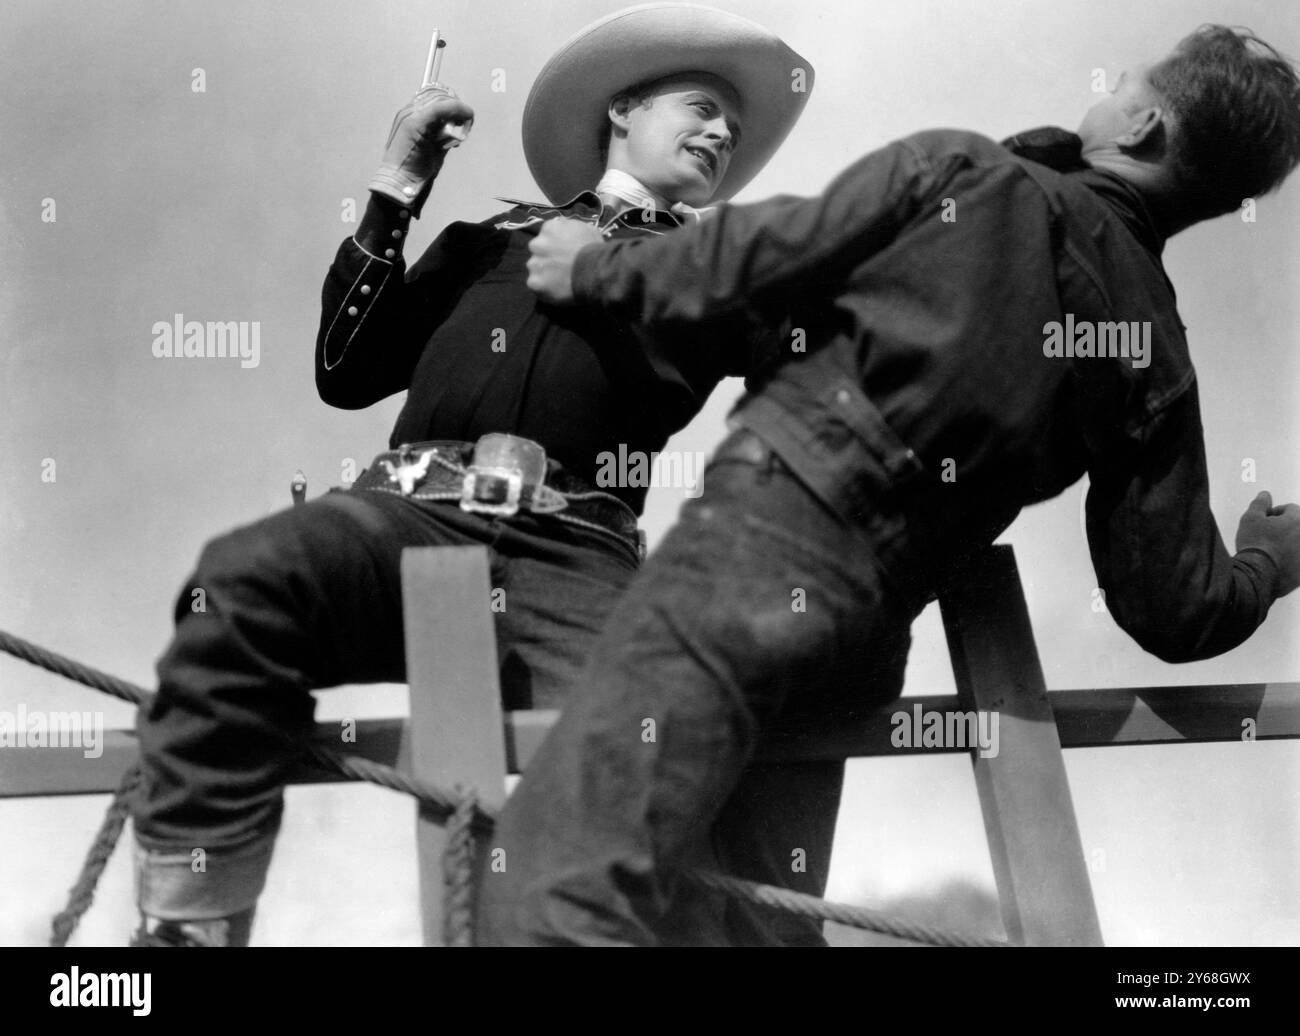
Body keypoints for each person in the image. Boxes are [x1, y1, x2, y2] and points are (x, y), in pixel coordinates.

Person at [479, 24, 1300, 945]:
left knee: (555, 890)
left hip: (763, 543)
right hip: (868, 634)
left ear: (1144, 122)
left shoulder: (966, 174)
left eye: (1127, 86)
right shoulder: (1155, 352)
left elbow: (755, 256)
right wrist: (1269, 561)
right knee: (762, 922)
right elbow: (1174, 606)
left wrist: (594, 267)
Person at [129, 4, 816, 946]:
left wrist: (604, 278)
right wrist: (394, 192)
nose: (723, 133)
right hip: (407, 513)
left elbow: (716, 382)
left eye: (732, 128)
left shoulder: (716, 271)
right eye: (701, 107)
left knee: (679, 759)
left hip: (581, 557)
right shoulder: (485, 242)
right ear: (621, 110)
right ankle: (187, 929)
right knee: (240, 584)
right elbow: (345, 372)